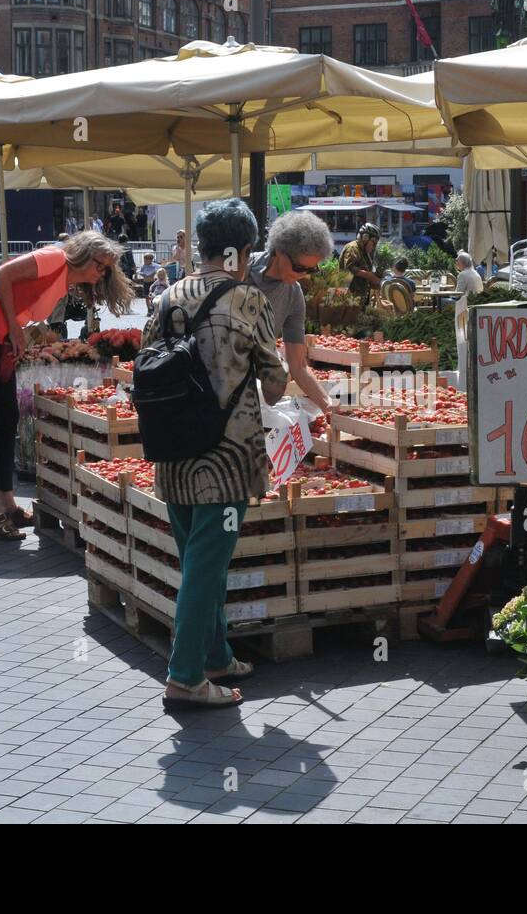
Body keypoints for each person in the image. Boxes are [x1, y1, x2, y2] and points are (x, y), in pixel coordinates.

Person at [148, 199, 288, 709]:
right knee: (207, 569)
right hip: (226, 463)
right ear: (244, 251)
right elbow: (274, 386)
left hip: (173, 454)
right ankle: (184, 677)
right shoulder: (249, 300)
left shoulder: (166, 297)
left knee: (199, 563)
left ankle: (216, 656)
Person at [0, 230, 134, 540]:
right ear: (86, 255)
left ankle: (7, 503)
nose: (102, 273)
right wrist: (14, 326)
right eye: (101, 265)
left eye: (106, 269)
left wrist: (21, 330)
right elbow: (1, 275)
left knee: (7, 414)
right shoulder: (54, 258)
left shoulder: (65, 278)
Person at [243, 210, 337, 413]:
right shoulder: (240, 270)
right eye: (298, 267)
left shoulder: (294, 296)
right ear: (278, 250)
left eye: (310, 270)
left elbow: (298, 366)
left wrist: (328, 406)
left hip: (253, 391)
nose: (302, 275)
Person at [341, 222, 383, 308]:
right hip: (350, 298)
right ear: (365, 238)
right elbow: (349, 268)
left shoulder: (363, 251)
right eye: (373, 242)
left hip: (360, 297)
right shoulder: (353, 248)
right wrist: (369, 276)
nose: (374, 246)